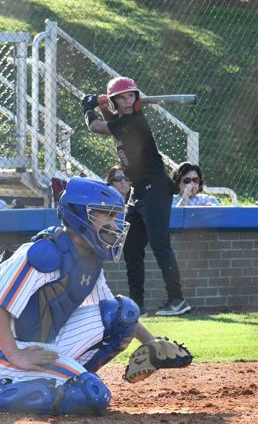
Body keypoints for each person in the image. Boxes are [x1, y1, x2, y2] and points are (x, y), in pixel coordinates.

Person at [0, 177, 190, 415]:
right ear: (79, 214)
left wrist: (151, 343)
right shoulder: (42, 254)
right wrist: (15, 355)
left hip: (41, 343)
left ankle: (63, 379)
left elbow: (117, 313)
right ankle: (13, 388)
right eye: (106, 215)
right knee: (92, 395)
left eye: (114, 216)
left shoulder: (89, 257)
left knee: (124, 314)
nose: (114, 225)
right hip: (7, 350)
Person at [81, 77, 191, 317]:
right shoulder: (124, 121)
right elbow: (114, 121)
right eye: (121, 97)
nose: (127, 100)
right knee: (131, 247)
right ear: (115, 101)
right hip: (139, 191)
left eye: (130, 95)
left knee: (160, 244)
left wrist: (88, 108)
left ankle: (177, 300)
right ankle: (136, 305)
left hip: (156, 188)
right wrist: (102, 106)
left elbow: (96, 127)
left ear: (136, 98)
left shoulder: (134, 120)